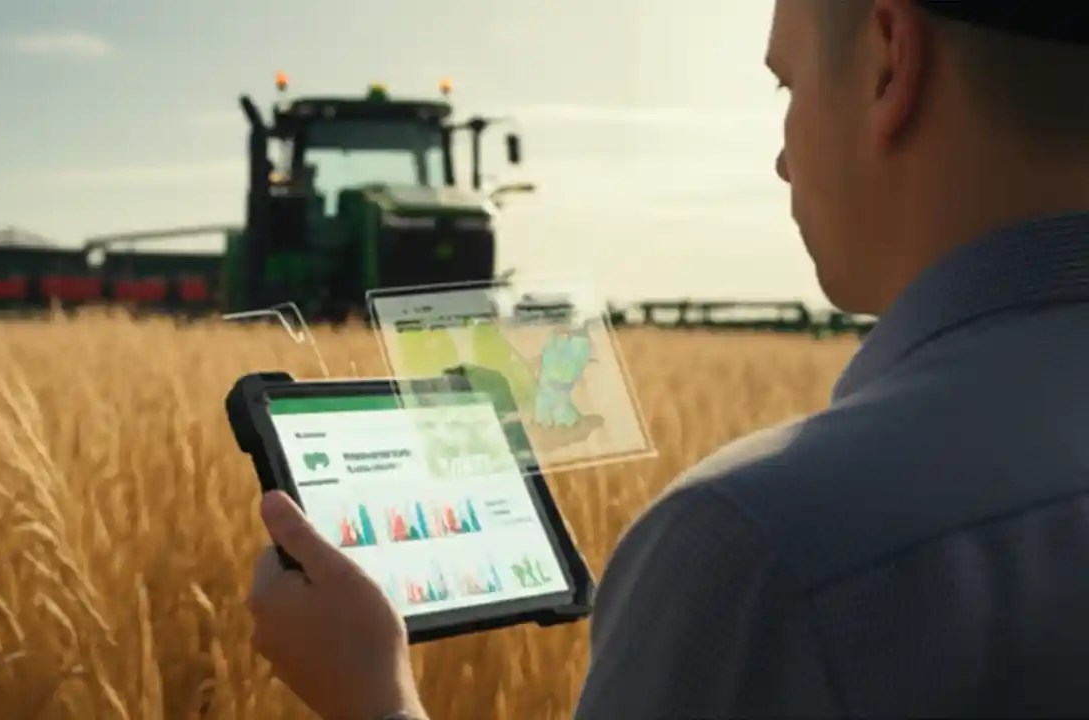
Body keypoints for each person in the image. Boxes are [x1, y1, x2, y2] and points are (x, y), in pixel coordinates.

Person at [246, 0, 1089, 717]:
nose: (782, 156)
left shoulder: (755, 555)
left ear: (885, 60)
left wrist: (375, 697)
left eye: (786, 85)